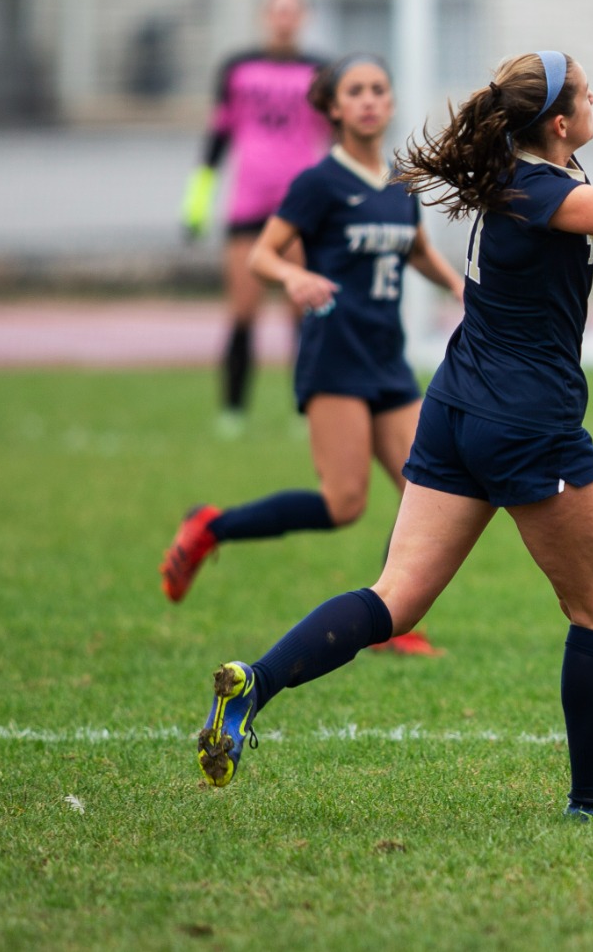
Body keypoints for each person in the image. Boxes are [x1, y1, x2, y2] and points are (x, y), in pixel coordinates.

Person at [190, 50, 593, 822]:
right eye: (588, 93)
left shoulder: (532, 179)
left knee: (395, 598)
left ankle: (255, 681)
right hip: (529, 422)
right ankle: (592, 799)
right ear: (560, 122)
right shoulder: (545, 189)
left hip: (455, 407)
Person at [161, 54, 464, 659]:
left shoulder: (400, 184)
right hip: (334, 361)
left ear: (392, 102)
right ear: (332, 108)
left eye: (379, 89)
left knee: (422, 491)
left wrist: (460, 287)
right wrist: (293, 277)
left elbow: (416, 249)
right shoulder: (318, 183)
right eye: (356, 92)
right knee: (342, 504)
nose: (370, 100)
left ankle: (395, 620)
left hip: (387, 361)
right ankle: (209, 527)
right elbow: (262, 255)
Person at [181, 0, 333, 436]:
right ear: (265, 16)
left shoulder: (322, 71)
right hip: (247, 205)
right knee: (243, 310)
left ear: (303, 17)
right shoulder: (238, 68)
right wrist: (196, 204)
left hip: (301, 207)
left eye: (293, 10)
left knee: (302, 311)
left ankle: (302, 411)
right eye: (277, 9)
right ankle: (232, 412)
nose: (285, 18)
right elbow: (216, 139)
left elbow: (341, 139)